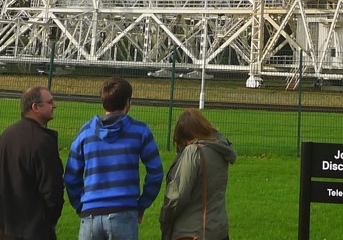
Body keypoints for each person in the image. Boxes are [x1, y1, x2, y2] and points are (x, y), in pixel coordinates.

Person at [64, 77, 163, 240]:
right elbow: (156, 172)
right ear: (128, 102)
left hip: (90, 214)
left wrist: (81, 205)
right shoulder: (139, 131)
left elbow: (71, 176)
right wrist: (142, 204)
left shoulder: (86, 132)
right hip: (123, 212)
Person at [0, 85, 65, 240]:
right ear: (35, 107)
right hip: (32, 228)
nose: (54, 105)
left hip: (2, 225)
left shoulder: (6, 136)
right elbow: (52, 188)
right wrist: (49, 219)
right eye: (50, 102)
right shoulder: (42, 141)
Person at [158, 109, 236, 240]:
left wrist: (164, 220)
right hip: (219, 228)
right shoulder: (219, 150)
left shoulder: (193, 152)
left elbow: (177, 196)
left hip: (193, 232)